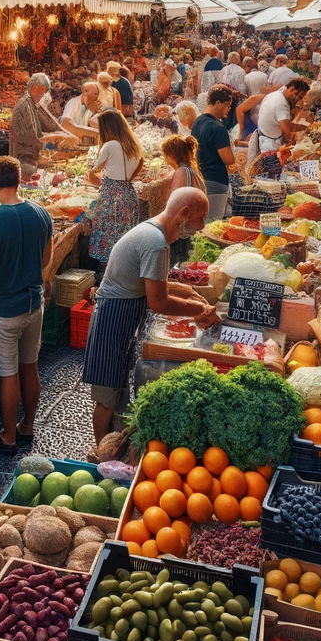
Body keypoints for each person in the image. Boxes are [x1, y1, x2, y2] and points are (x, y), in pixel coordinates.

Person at [81, 188, 219, 449]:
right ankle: (102, 455)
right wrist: (197, 310)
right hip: (112, 320)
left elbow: (152, 282)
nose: (203, 225)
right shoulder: (155, 242)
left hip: (121, 315)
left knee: (118, 392)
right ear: (184, 213)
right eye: (201, 218)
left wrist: (186, 291)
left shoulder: (154, 232)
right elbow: (158, 301)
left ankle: (116, 448)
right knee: (107, 398)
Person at [0, 157, 53, 453]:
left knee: (9, 374)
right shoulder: (41, 213)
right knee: (29, 366)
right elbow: (46, 261)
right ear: (19, 180)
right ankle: (27, 425)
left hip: (5, 311)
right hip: (34, 305)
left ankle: (8, 436)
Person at [87, 110, 143, 265]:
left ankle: (105, 277)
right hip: (128, 194)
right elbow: (140, 164)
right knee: (124, 239)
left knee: (108, 240)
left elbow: (94, 171)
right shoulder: (132, 145)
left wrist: (94, 178)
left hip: (111, 198)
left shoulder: (110, 145)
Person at [192, 86, 236, 222]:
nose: (229, 109)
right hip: (215, 180)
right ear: (217, 103)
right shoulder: (218, 128)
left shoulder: (197, 122)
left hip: (200, 178)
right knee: (213, 223)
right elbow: (229, 159)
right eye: (227, 105)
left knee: (202, 222)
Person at [10, 73, 66, 178]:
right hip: (23, 160)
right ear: (34, 88)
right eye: (42, 91)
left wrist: (60, 134)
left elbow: (48, 123)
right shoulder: (24, 106)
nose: (43, 95)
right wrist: (49, 140)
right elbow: (29, 137)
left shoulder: (32, 104)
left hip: (31, 159)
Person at [161, 134, 206, 264]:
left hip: (182, 232)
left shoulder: (182, 172)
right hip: (191, 228)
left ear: (172, 155)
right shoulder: (192, 171)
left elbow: (174, 203)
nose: (165, 161)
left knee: (176, 266)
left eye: (165, 157)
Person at [254, 77, 310, 178]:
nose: (297, 99)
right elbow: (286, 128)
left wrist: (303, 128)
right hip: (271, 145)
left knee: (272, 174)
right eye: (297, 95)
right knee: (273, 176)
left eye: (300, 98)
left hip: (266, 140)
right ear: (291, 89)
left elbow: (287, 125)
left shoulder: (274, 94)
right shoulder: (281, 103)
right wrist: (290, 141)